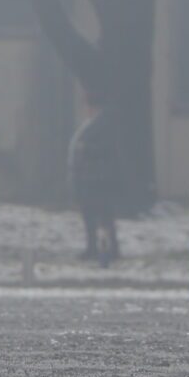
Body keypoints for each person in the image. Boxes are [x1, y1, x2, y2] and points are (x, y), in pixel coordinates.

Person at [68, 105, 124, 265]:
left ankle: (106, 249)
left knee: (102, 216)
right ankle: (97, 247)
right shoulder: (93, 125)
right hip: (91, 179)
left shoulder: (100, 126)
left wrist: (86, 151)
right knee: (94, 216)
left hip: (96, 180)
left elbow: (105, 151)